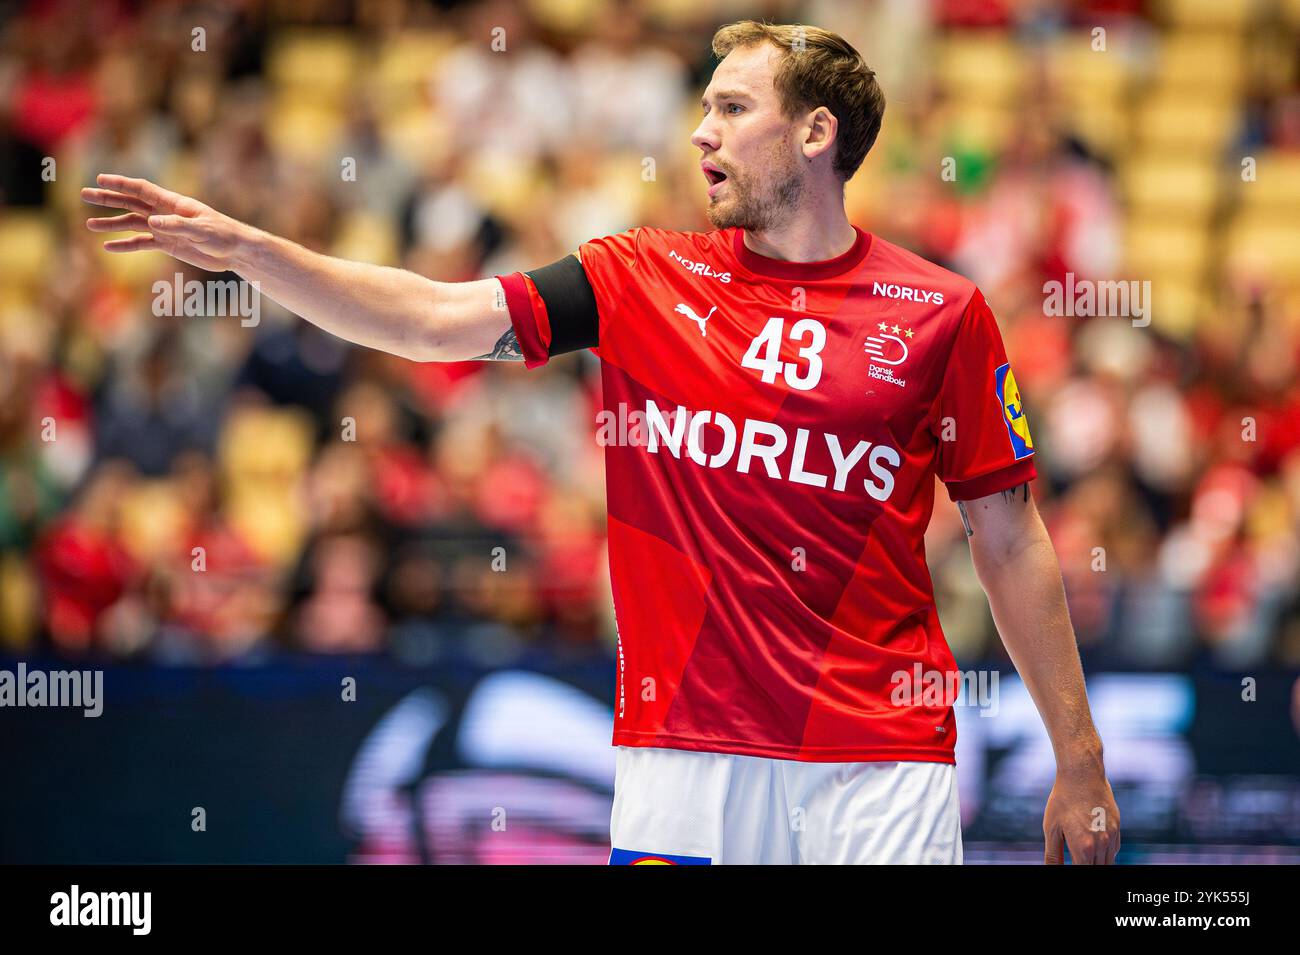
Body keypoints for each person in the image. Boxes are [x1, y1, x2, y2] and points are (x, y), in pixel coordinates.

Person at [83, 19, 1119, 865]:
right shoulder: (638, 277)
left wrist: (1078, 758)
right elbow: (431, 319)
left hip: (877, 760)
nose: (700, 132)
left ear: (813, 133)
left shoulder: (940, 311)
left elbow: (1010, 538)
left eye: (729, 107)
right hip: (679, 760)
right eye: (701, 108)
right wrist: (245, 249)